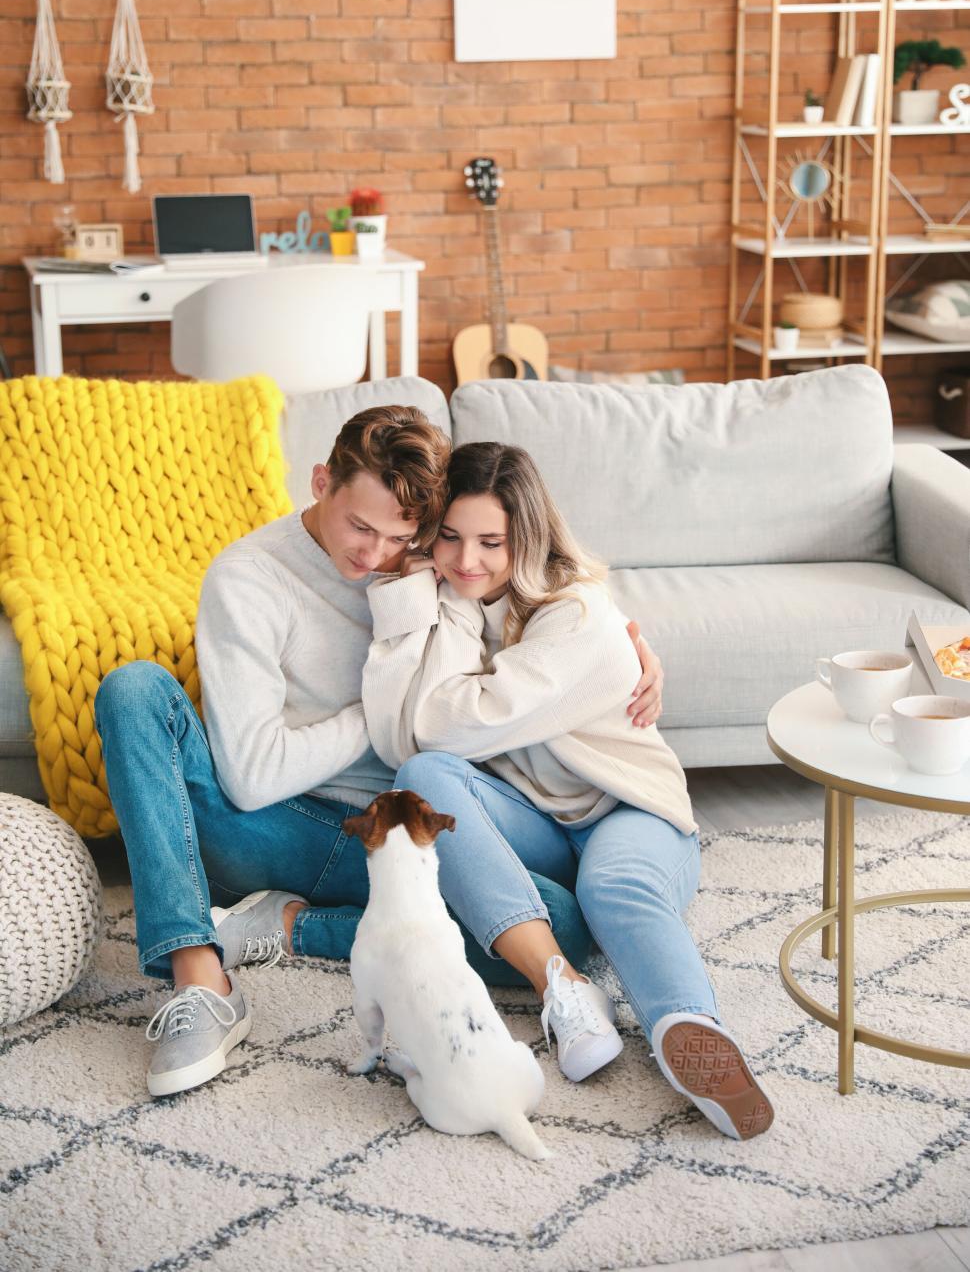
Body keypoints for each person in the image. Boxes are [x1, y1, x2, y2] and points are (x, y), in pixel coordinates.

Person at [95, 405, 661, 1099]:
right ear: (320, 481)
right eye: (359, 525)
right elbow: (250, 776)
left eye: (398, 536)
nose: (372, 555)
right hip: (270, 825)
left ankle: (291, 926)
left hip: (395, 839)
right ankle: (201, 980)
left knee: (567, 932)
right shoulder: (249, 577)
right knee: (132, 690)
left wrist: (631, 650)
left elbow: (547, 603)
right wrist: (392, 718)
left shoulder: (432, 567)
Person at [361, 441, 774, 1141]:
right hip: (538, 819)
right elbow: (416, 740)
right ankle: (564, 986)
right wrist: (452, 607)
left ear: (527, 534)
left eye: (492, 541)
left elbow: (440, 718)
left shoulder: (578, 615)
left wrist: (454, 618)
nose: (468, 561)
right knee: (422, 783)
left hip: (628, 808)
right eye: (452, 538)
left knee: (614, 888)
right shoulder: (460, 598)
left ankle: (690, 1031)